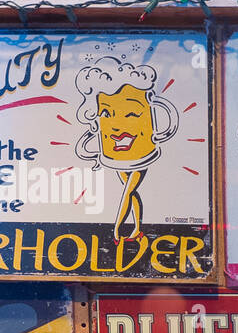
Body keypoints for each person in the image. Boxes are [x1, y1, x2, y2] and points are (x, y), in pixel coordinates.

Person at [74, 57, 180, 243]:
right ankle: (138, 228)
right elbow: (85, 143)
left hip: (141, 152)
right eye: (106, 113)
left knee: (127, 192)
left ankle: (117, 229)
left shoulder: (143, 97)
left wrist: (155, 136)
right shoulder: (101, 107)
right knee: (130, 191)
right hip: (117, 155)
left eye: (131, 113)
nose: (116, 126)